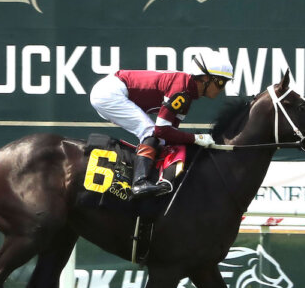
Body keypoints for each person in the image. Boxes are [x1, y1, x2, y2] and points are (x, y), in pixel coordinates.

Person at [89, 50, 234, 198]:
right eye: (220, 82)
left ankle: (150, 176)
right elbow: (161, 130)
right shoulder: (181, 90)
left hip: (111, 90)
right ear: (205, 78)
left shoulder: (187, 93)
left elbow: (169, 135)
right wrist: (196, 138)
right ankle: (139, 182)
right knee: (150, 132)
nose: (222, 88)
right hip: (110, 93)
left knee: (159, 139)